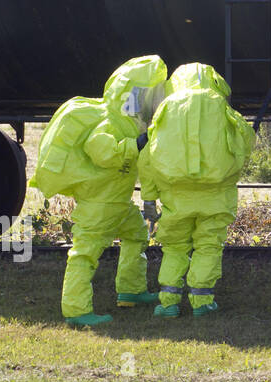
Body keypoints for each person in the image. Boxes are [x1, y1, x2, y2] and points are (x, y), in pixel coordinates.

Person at [29, 55, 169, 327]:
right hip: (100, 205)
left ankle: (131, 290)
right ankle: (76, 310)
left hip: (116, 203)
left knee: (137, 233)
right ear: (132, 95)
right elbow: (100, 150)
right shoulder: (111, 122)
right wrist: (135, 145)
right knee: (84, 254)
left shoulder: (128, 123)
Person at [138, 62, 255, 317]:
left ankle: (168, 302)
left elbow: (147, 158)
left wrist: (148, 198)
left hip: (176, 197)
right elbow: (245, 141)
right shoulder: (221, 106)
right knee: (208, 246)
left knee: (175, 247)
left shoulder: (166, 108)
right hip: (215, 196)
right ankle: (202, 303)